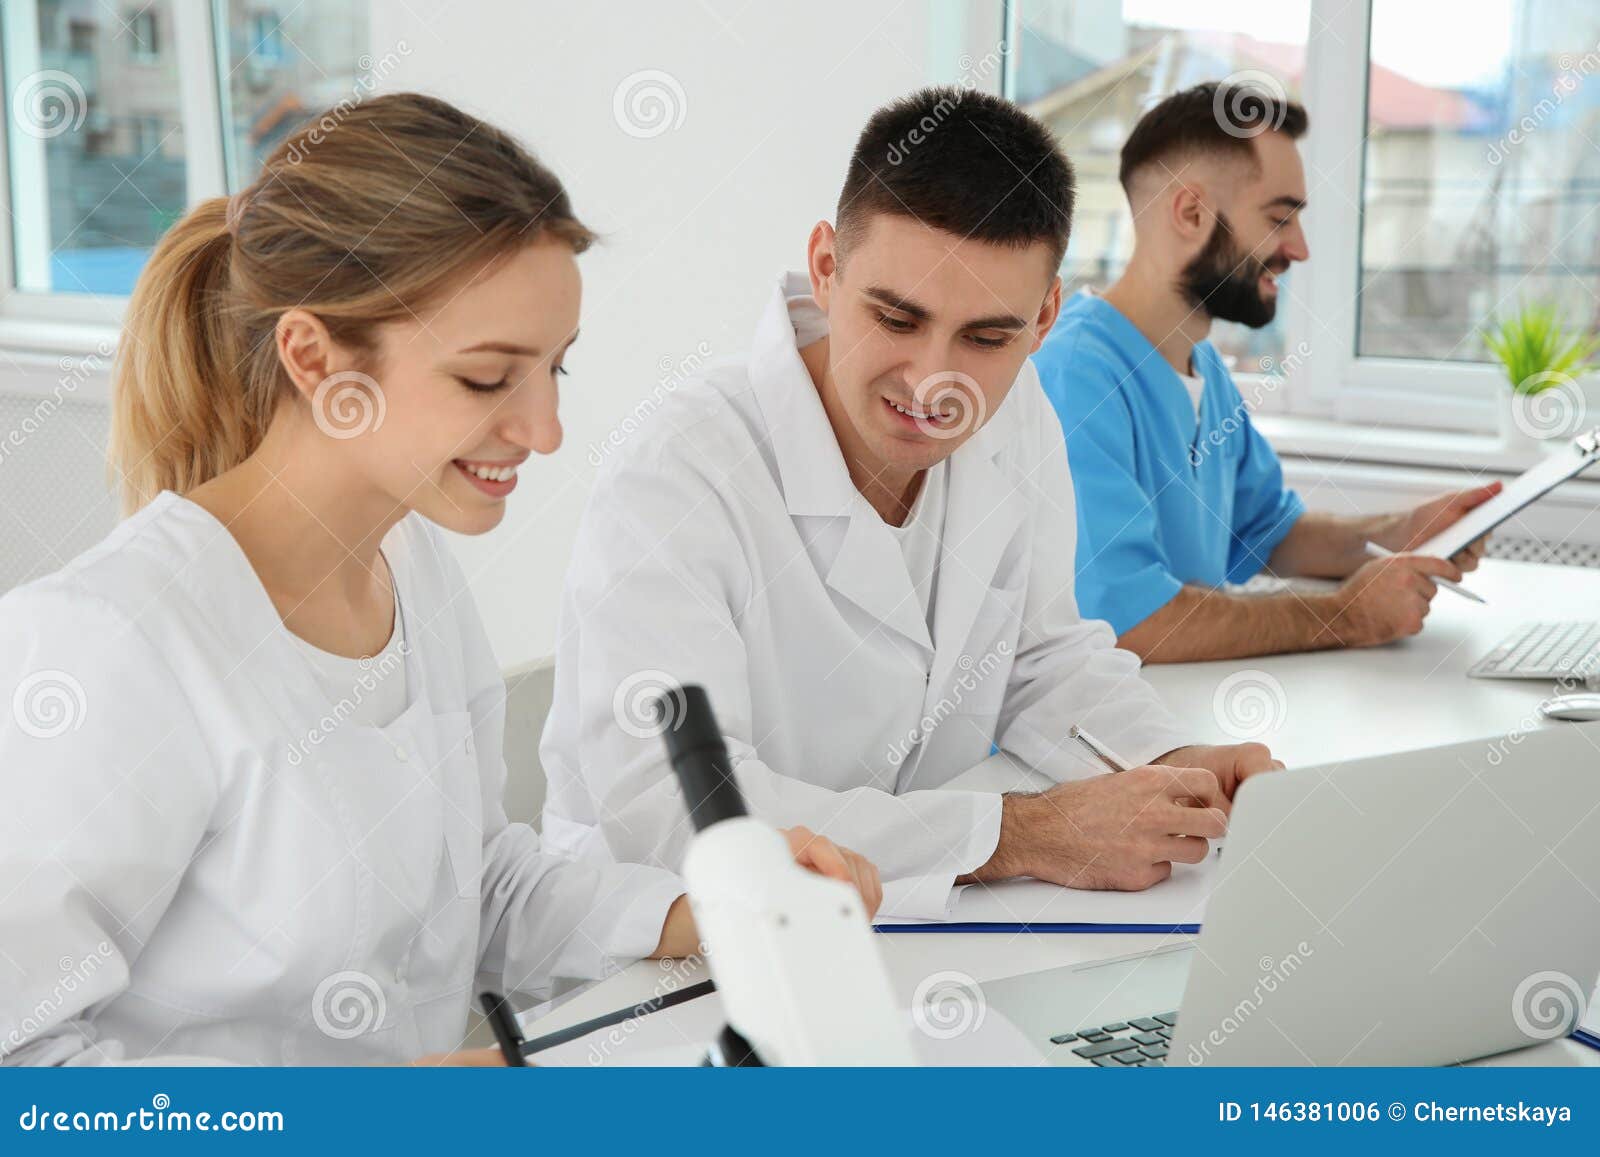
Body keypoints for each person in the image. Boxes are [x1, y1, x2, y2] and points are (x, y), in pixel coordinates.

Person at [0, 93, 880, 1067]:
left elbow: (479, 883)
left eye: (557, 371)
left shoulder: (409, 572)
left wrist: (701, 908)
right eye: (486, 377)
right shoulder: (109, 643)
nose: (543, 431)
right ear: (312, 354)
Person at [540, 87, 1279, 921]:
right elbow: (674, 806)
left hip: (904, 924)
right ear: (826, 267)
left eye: (986, 337)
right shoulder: (677, 468)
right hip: (676, 943)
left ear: (1043, 319)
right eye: (897, 317)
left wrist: (1176, 762)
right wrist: (1018, 836)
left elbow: (1041, 660)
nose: (935, 383)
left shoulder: (1021, 410)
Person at [1032, 81, 1498, 663]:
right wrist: (1348, 616)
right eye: (1280, 219)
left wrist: (1404, 530)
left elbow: (1270, 535)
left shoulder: (1204, 369)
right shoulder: (1075, 378)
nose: (1299, 249)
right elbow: (1132, 621)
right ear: (1191, 212)